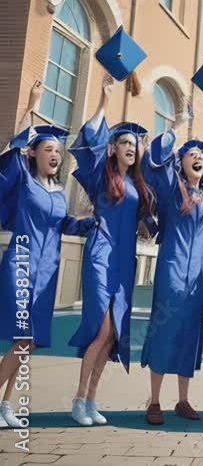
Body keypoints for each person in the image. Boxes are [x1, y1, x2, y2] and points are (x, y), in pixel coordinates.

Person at [0, 82, 98, 428]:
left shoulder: (58, 191)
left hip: (47, 270)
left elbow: (65, 225)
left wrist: (89, 222)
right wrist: (31, 105)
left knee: (30, 341)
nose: (55, 155)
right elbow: (11, 152)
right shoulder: (24, 182)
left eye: (58, 151)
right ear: (34, 154)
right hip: (22, 264)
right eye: (48, 149)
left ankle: (5, 405)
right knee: (24, 336)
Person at [68, 74, 155, 427]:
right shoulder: (101, 175)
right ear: (114, 148)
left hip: (124, 260)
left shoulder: (137, 183)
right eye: (125, 143)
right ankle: (77, 398)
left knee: (113, 335)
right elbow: (89, 142)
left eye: (135, 144)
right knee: (102, 330)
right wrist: (104, 99)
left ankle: (91, 400)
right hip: (101, 255)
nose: (131, 148)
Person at [140, 119, 203, 426]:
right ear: (181, 162)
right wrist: (174, 127)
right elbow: (155, 161)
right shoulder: (171, 190)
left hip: (199, 276)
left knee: (191, 332)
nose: (198, 157)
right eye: (192, 154)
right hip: (173, 270)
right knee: (165, 330)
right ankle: (154, 401)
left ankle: (184, 399)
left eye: (202, 155)